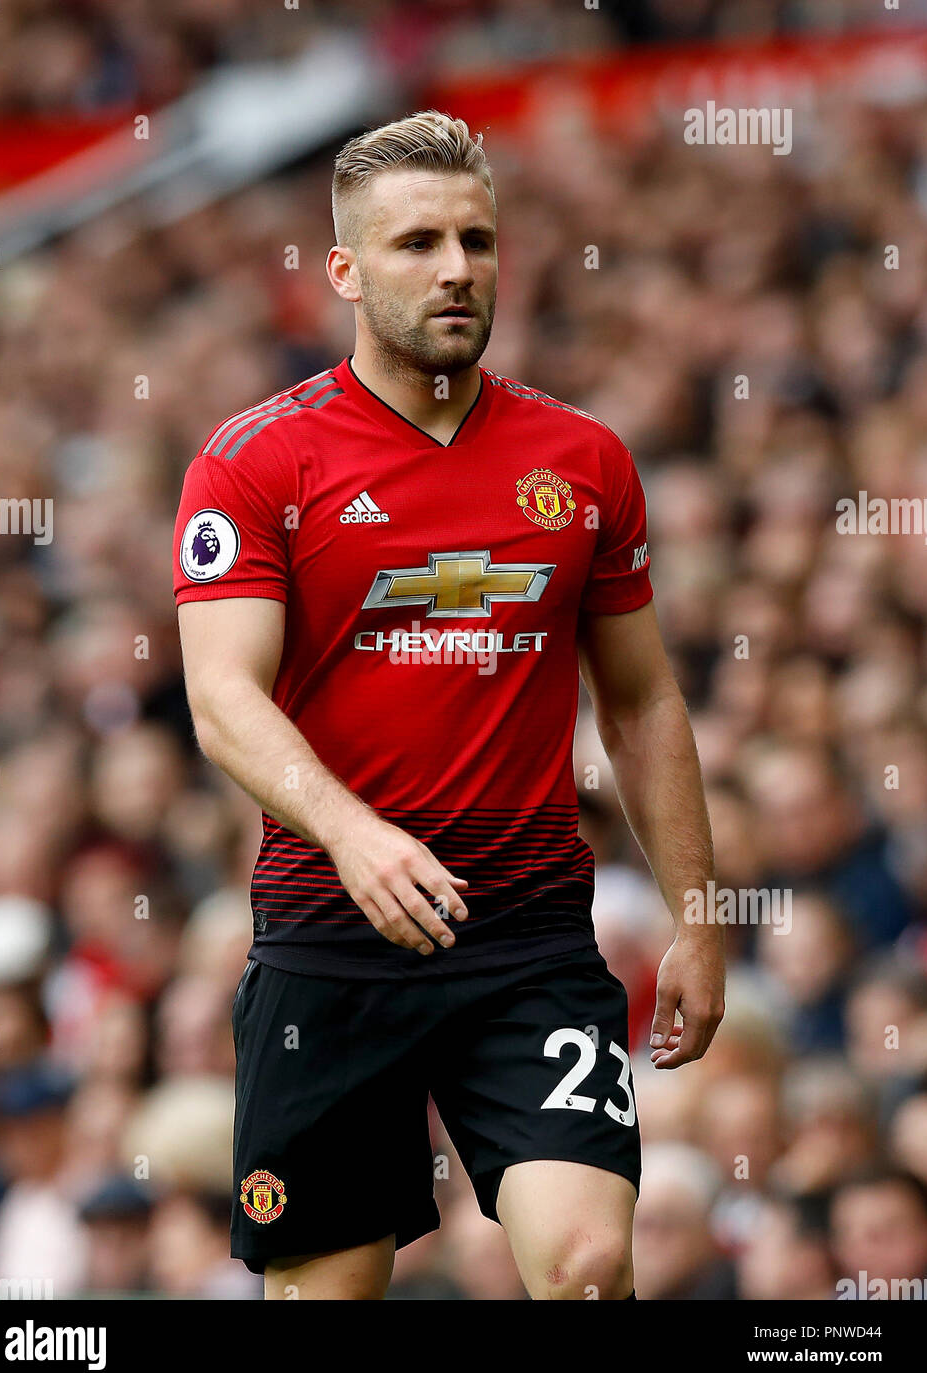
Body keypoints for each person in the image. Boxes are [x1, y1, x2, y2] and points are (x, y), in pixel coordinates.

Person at [173, 111, 724, 1301]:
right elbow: (221, 696)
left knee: (586, 1266)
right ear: (344, 270)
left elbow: (639, 700)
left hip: (525, 935)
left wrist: (697, 910)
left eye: (476, 239)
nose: (456, 268)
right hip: (330, 939)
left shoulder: (581, 459)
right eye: (417, 242)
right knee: (327, 1290)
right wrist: (353, 829)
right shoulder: (256, 462)